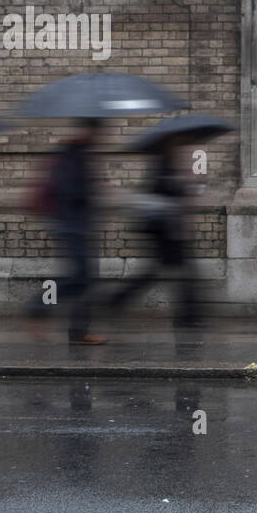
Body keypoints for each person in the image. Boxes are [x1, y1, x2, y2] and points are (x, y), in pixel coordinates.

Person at [26, 118, 106, 344]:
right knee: (80, 279)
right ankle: (38, 307)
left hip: (75, 225)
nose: (103, 136)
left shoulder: (79, 154)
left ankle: (77, 331)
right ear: (91, 131)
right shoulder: (73, 155)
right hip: (72, 226)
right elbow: (69, 191)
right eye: (99, 131)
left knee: (82, 280)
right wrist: (90, 192)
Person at [106, 139, 200, 330]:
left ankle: (116, 300)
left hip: (166, 231)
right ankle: (187, 318)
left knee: (160, 273)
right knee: (180, 273)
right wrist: (186, 185)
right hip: (165, 232)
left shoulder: (166, 166)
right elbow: (166, 194)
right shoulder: (163, 167)